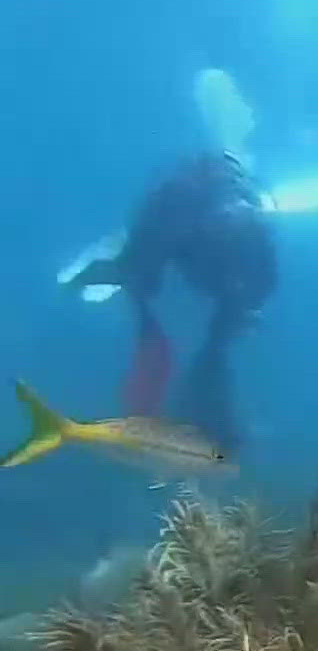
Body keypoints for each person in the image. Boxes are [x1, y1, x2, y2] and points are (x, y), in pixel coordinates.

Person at [61, 149, 276, 455]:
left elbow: (263, 282)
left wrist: (241, 312)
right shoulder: (173, 207)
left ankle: (194, 423)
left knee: (213, 348)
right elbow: (138, 268)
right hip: (169, 249)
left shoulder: (252, 230)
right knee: (140, 284)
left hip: (213, 276)